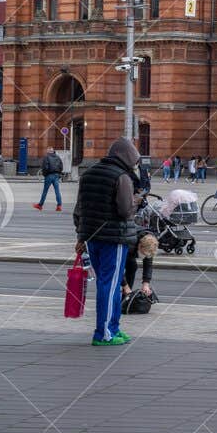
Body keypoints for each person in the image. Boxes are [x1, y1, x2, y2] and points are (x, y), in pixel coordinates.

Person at [73, 137, 141, 347]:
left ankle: (113, 327)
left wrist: (81, 236)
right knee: (110, 285)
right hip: (114, 237)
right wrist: (136, 202)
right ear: (127, 156)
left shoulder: (88, 174)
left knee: (106, 283)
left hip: (92, 237)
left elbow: (79, 210)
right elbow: (124, 211)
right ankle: (104, 332)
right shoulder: (121, 177)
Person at [36, 147, 65, 212]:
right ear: (53, 151)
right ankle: (59, 206)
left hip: (49, 175)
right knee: (57, 191)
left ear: (48, 152)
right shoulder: (58, 157)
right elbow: (61, 167)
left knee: (45, 191)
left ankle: (40, 205)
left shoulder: (46, 157)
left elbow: (45, 167)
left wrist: (45, 174)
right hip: (56, 175)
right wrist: (59, 173)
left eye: (47, 151)